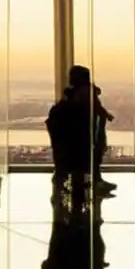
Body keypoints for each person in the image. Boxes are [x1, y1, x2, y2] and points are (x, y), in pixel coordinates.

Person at [46, 65, 117, 198]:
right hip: (79, 138)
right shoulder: (83, 97)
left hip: (75, 137)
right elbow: (95, 109)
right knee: (89, 154)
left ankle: (89, 181)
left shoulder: (67, 100)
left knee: (87, 153)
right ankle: (92, 181)